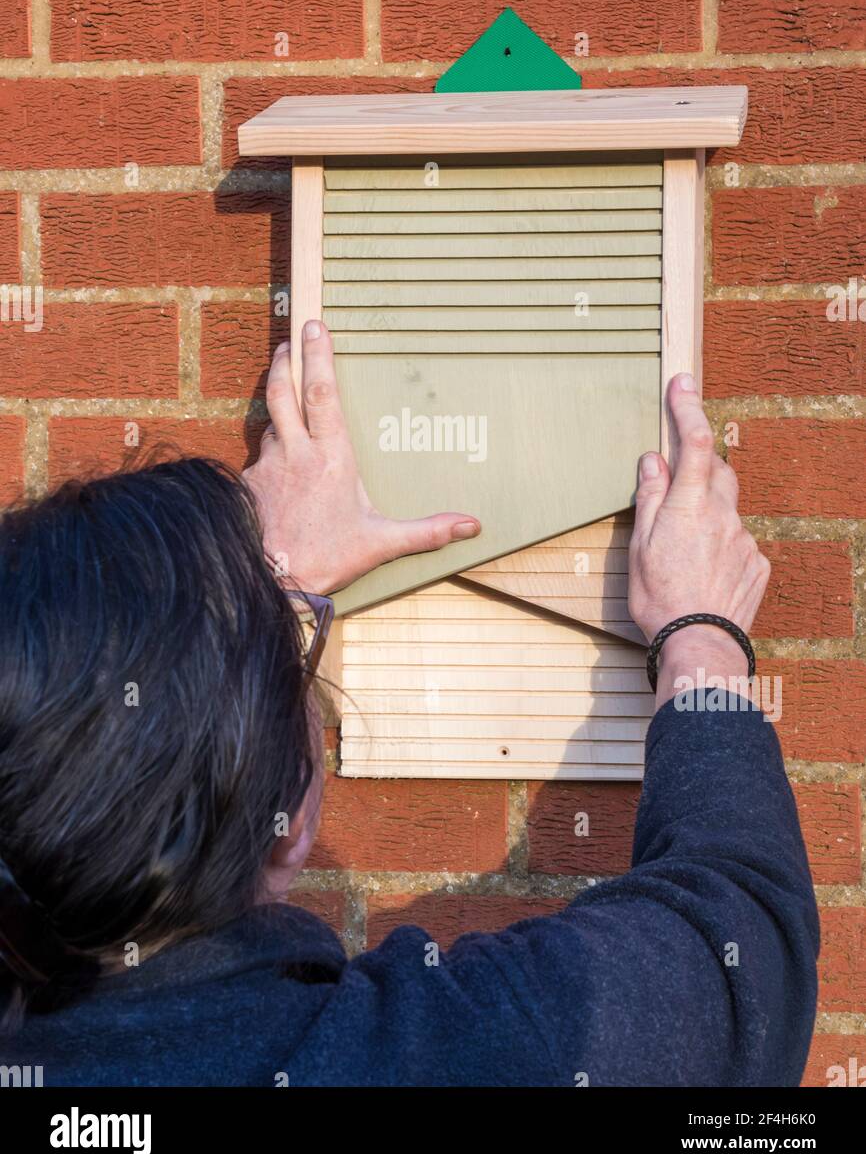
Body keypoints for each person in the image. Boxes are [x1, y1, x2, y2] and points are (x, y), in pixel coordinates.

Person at [0, 322, 818, 1087]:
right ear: (292, 831)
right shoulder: (428, 1058)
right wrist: (701, 636)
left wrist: (263, 601)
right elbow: (740, 953)